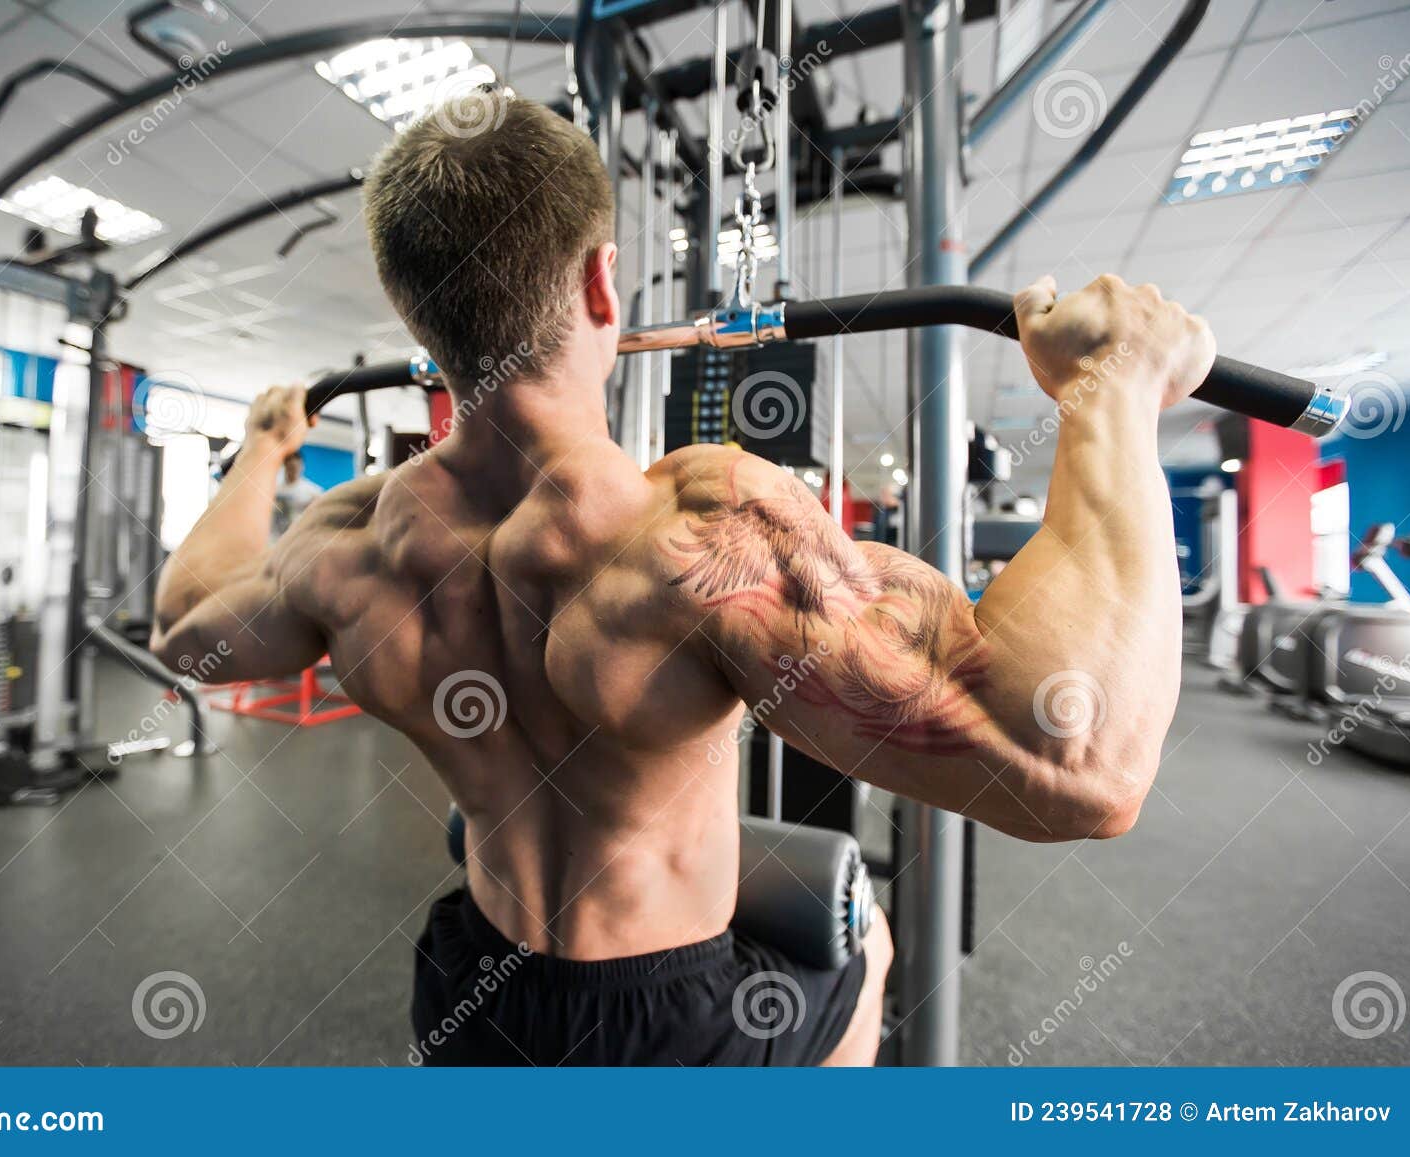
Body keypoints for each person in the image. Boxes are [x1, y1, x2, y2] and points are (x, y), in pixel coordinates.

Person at [150, 95, 1215, 1066]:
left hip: (469, 986)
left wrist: (259, 451)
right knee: (862, 945)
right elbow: (1078, 769)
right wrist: (1110, 393)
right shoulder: (701, 524)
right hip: (670, 1025)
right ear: (603, 281)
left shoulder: (347, 542)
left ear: (417, 320)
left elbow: (181, 627)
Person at [271, 450, 323, 539]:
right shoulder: (274, 489)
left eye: (297, 467)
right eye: (291, 467)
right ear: (285, 466)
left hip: (298, 538)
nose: (294, 471)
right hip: (275, 537)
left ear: (302, 466)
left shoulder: (313, 491)